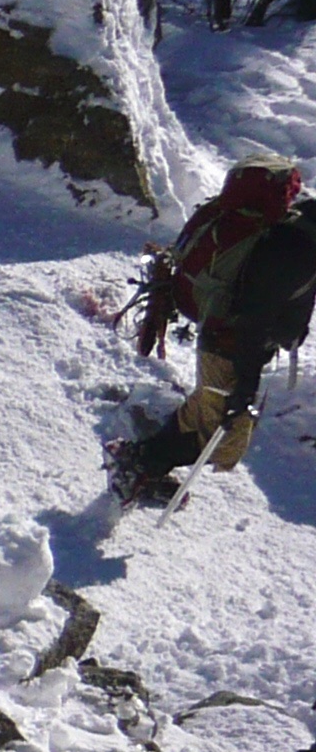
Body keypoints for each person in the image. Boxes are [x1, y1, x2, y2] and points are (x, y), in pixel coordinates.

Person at [109, 160, 316, 507]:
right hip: (229, 338)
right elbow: (253, 316)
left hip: (232, 332)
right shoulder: (297, 251)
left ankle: (144, 463)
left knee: (210, 413)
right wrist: (246, 385)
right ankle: (137, 466)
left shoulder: (305, 224)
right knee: (222, 431)